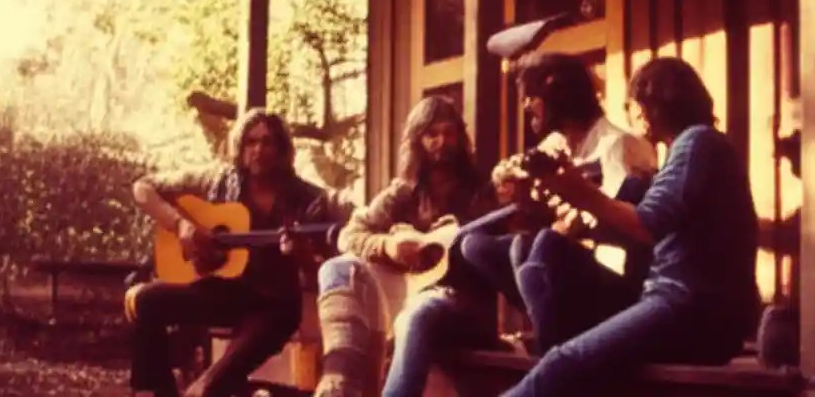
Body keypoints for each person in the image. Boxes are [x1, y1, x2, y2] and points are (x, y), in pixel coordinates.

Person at [501, 56, 761, 396]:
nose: (633, 113)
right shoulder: (691, 148)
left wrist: (581, 193)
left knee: (563, 363)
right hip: (670, 299)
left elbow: (647, 224)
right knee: (544, 248)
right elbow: (645, 229)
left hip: (691, 307)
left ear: (660, 101)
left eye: (637, 102)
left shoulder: (698, 142)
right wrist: (575, 205)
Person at [126, 108, 335, 397]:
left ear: (282, 149)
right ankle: (157, 391)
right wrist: (181, 225)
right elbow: (142, 188)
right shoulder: (217, 179)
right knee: (145, 300)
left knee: (206, 389)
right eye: (250, 142)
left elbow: (320, 274)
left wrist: (300, 255)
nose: (258, 150)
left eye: (267, 142)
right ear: (240, 147)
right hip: (221, 293)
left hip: (272, 307)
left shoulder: (308, 199)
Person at [459, 51, 658, 351]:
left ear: (557, 94)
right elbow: (536, 207)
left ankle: (551, 345)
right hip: (561, 271)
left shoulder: (619, 145)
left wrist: (569, 219)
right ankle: (549, 330)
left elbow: (621, 226)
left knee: (535, 246)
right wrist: (521, 197)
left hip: (615, 281)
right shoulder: (553, 147)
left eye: (531, 95)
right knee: (474, 245)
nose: (526, 105)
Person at [314, 96, 495, 397]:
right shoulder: (403, 193)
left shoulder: (481, 191)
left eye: (449, 133)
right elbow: (350, 234)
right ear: (417, 140)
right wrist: (388, 246)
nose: (442, 142)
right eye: (431, 134)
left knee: (415, 314)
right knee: (336, 268)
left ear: (460, 138)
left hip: (462, 306)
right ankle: (338, 383)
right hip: (406, 297)